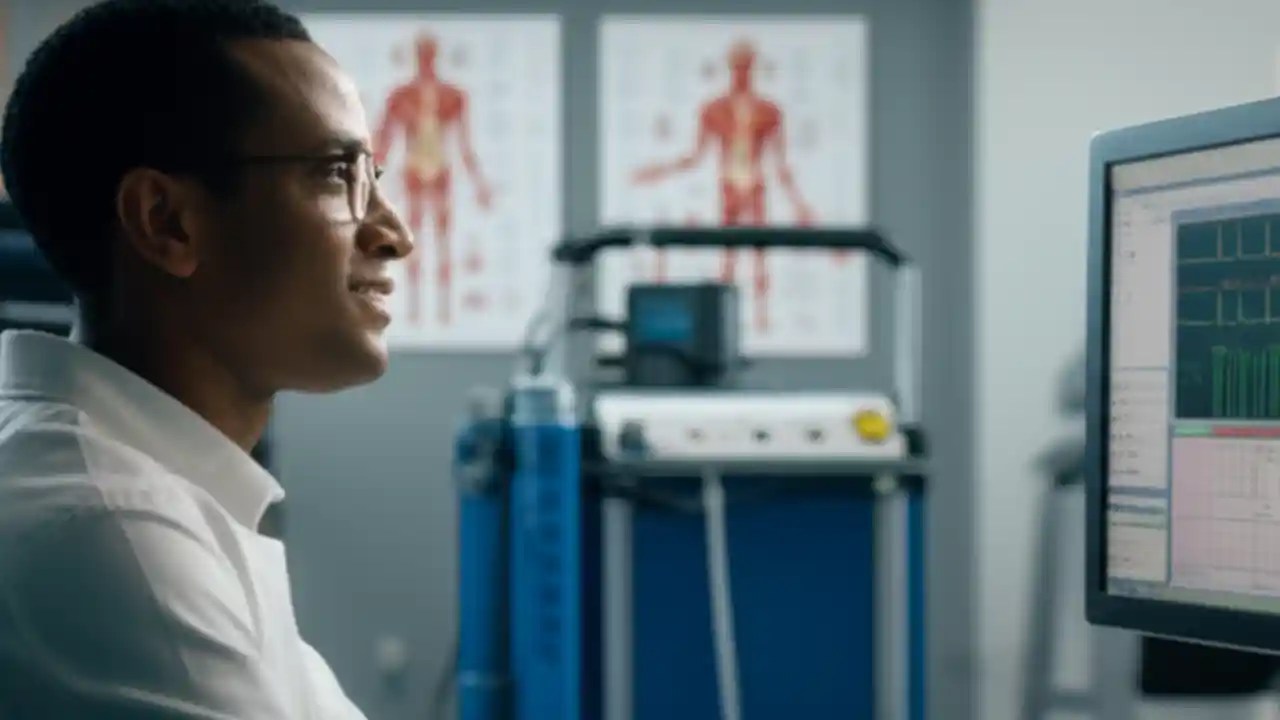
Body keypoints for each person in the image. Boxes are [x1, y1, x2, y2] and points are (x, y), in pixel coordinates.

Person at [0, 1, 413, 717]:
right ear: (167, 222)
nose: (392, 233)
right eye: (334, 173)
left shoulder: (160, 495)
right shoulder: (113, 528)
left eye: (370, 174)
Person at [632, 40, 816, 332]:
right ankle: (723, 324)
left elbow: (781, 165)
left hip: (754, 183)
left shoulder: (769, 111)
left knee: (759, 253)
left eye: (747, 66)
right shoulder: (714, 110)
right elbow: (694, 156)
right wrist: (657, 172)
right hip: (729, 184)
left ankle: (761, 317)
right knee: (728, 254)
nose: (742, 73)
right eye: (738, 67)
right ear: (731, 69)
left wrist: (799, 205)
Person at [374, 33, 492, 326]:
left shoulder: (453, 96)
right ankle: (413, 310)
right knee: (412, 237)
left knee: (442, 240)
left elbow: (464, 145)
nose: (426, 59)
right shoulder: (401, 96)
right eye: (422, 53)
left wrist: (480, 184)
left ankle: (444, 312)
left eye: (430, 53)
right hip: (414, 168)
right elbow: (384, 143)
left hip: (440, 169)